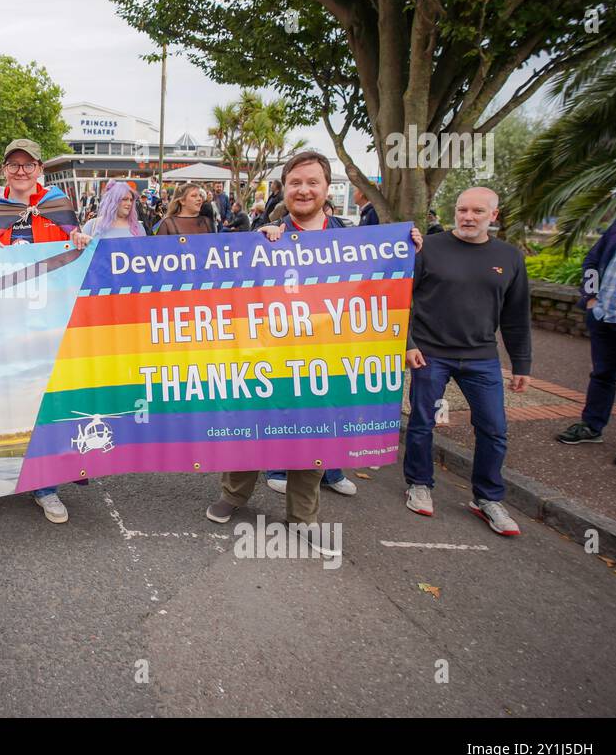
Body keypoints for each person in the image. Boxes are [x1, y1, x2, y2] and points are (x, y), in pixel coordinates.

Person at [206, 151, 422, 546]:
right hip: (268, 355)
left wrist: (405, 251)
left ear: (327, 189)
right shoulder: (265, 234)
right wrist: (257, 243)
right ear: (284, 188)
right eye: (295, 183)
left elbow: (383, 296)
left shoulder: (358, 241)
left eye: (312, 183)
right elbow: (232, 289)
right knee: (253, 427)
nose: (303, 190)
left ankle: (302, 516)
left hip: (326, 358)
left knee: (317, 434)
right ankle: (233, 495)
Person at [0, 138, 92, 526]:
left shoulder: (57, 205)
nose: (21, 171)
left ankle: (45, 484)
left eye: (28, 165)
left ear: (39, 169)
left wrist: (80, 241)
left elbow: (73, 253)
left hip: (45, 321)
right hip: (0, 319)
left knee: (42, 400)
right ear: (4, 169)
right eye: (14, 165)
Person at [402, 187, 531, 537]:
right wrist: (408, 344)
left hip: (481, 357)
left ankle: (487, 498)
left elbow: (517, 316)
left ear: (494, 215)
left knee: (494, 428)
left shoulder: (509, 257)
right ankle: (418, 483)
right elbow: (401, 298)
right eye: (462, 210)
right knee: (422, 421)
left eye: (477, 211)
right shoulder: (428, 248)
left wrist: (522, 364)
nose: (468, 217)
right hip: (430, 353)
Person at [556, 169, 616, 468]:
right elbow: (592, 261)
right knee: (602, 374)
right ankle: (592, 426)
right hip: (605, 314)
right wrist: (592, 299)